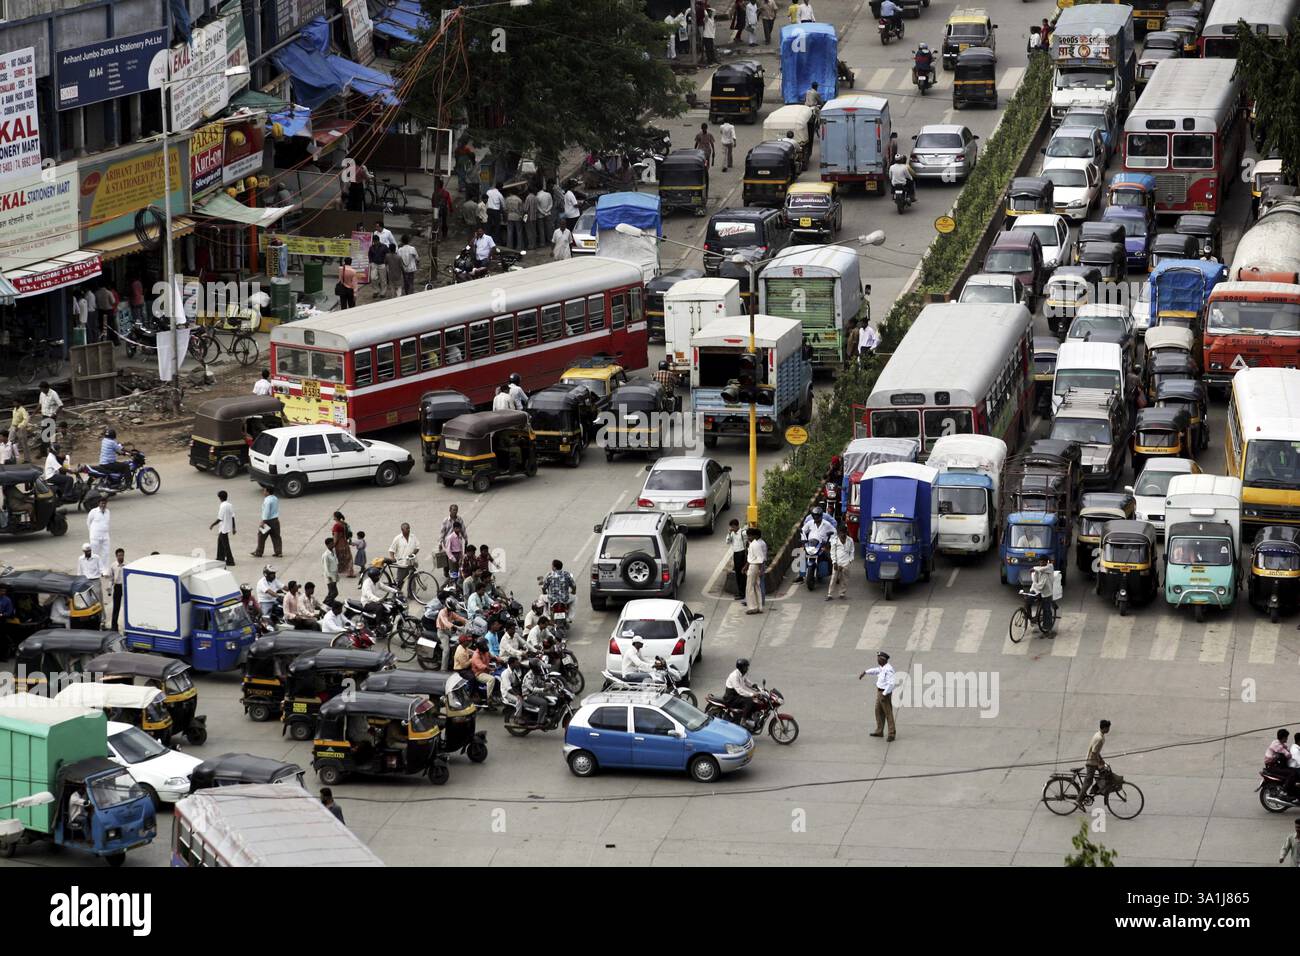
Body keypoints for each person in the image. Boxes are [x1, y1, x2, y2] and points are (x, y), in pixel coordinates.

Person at [859, 651, 897, 740]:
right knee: (878, 711)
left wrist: (884, 694)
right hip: (879, 692)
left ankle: (891, 734)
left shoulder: (888, 669)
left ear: (883, 660)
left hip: (884, 694)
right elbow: (876, 670)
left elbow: (891, 684)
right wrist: (865, 672)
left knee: (888, 713)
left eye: (878, 658)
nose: (877, 660)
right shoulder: (882, 667)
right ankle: (879, 731)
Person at [1079, 719, 1112, 805]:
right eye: (1108, 728)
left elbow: (1096, 752)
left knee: (1104, 772)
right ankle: (1078, 800)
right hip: (1091, 762)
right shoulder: (1099, 738)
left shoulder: (1099, 734)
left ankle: (1096, 789)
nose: (1109, 730)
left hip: (1093, 760)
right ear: (1104, 728)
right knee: (1088, 782)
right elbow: (1094, 752)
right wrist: (1099, 762)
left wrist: (1101, 760)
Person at [723, 657, 760, 722]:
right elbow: (739, 690)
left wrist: (756, 687)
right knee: (750, 701)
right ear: (741, 668)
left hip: (737, 695)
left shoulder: (741, 674)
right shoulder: (734, 676)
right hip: (731, 698)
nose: (747, 669)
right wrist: (752, 694)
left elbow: (746, 681)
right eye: (745, 667)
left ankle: (751, 716)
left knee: (756, 701)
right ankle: (743, 720)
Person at [250, 486, 282, 558]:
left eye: (264, 491)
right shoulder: (275, 498)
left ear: (268, 492)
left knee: (261, 536)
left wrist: (263, 521)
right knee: (276, 536)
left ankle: (259, 552)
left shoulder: (267, 500)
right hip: (275, 520)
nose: (263, 492)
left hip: (267, 521)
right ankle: (278, 552)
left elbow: (266, 511)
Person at [388, 523, 420, 590]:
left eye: (409, 528)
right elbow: (391, 550)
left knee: (412, 579)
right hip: (402, 563)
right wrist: (392, 558)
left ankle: (412, 594)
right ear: (402, 530)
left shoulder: (413, 536)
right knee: (400, 580)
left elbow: (417, 547)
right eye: (407, 529)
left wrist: (412, 554)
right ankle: (396, 594)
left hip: (411, 562)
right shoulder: (397, 538)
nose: (408, 530)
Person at [724, 519, 749, 603]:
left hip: (741, 554)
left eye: (732, 527)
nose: (731, 528)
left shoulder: (743, 533)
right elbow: (727, 542)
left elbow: (748, 539)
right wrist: (729, 533)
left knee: (742, 574)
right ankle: (740, 592)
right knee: (738, 574)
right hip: (735, 554)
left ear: (736, 526)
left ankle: (743, 594)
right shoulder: (732, 534)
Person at [828, 524, 855, 601]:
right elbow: (832, 552)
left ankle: (842, 594)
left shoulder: (850, 540)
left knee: (845, 579)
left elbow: (852, 551)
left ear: (846, 532)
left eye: (844, 532)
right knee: (833, 578)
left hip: (846, 563)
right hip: (837, 562)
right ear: (838, 532)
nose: (843, 534)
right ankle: (829, 594)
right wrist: (834, 562)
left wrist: (850, 561)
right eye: (841, 533)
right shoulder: (835, 540)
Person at [210, 490, 236, 567]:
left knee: (225, 545)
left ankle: (230, 560)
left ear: (220, 498)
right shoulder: (229, 505)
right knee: (220, 542)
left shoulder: (222, 506)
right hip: (227, 527)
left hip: (223, 528)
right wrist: (234, 527)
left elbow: (220, 518)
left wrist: (212, 525)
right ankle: (220, 557)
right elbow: (233, 516)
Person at [86, 497, 112, 573]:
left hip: (105, 536)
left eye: (105, 503)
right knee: (94, 554)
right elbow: (88, 522)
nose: (103, 505)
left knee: (106, 553)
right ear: (99, 503)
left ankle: (105, 570)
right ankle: (94, 570)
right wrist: (91, 533)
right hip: (95, 536)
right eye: (102, 503)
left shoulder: (108, 512)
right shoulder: (93, 512)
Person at [745, 527, 767, 613]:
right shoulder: (753, 544)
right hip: (754, 565)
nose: (748, 538)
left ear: (754, 536)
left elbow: (760, 558)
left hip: (754, 566)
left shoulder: (754, 545)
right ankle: (759, 606)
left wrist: (761, 570)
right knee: (756, 586)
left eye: (749, 536)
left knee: (750, 587)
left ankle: (752, 607)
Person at [368, 230, 390, 298]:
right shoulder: (371, 247)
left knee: (383, 279)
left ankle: (383, 292)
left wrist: (386, 262)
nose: (374, 243)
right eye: (373, 242)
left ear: (378, 240)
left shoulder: (384, 247)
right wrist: (371, 262)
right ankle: (376, 290)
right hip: (374, 263)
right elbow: (369, 255)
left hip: (382, 264)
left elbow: (388, 254)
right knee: (373, 278)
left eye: (375, 241)